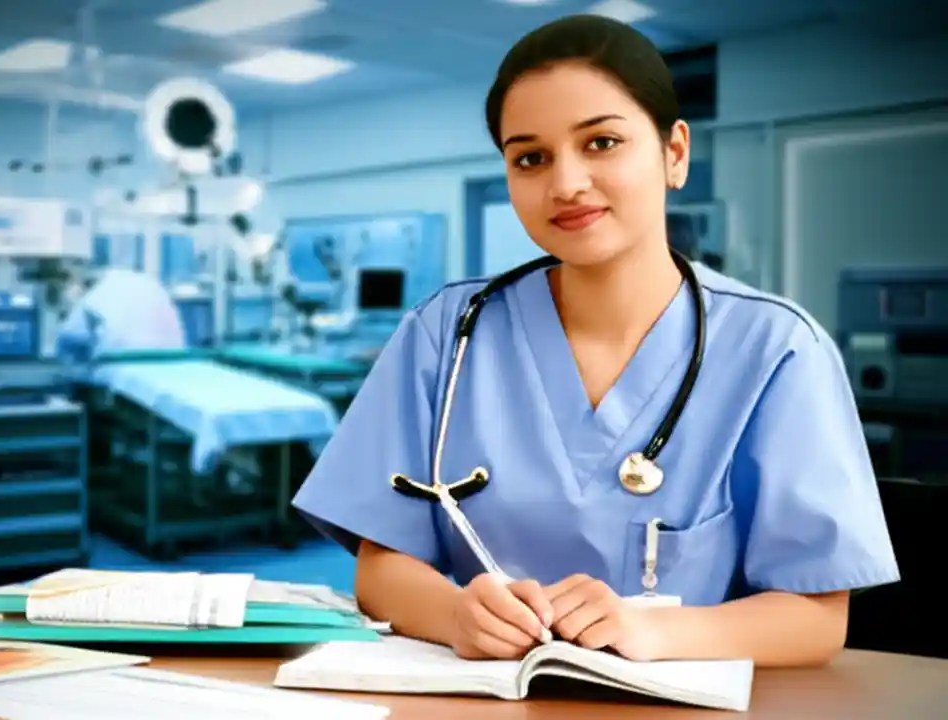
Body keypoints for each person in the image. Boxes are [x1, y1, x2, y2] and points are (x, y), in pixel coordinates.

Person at [290, 14, 899, 668]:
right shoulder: (446, 332)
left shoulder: (776, 350)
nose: (566, 184)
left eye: (602, 143)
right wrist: (453, 614)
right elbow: (382, 569)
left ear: (675, 154)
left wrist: (655, 632)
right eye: (530, 157)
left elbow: (815, 618)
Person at [54, 268, 186, 360]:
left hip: (121, 363)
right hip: (174, 359)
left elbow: (67, 338)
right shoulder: (146, 283)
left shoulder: (93, 297)